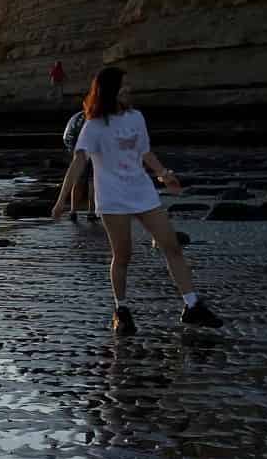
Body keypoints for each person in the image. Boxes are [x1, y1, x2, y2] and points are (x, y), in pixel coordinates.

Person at [51, 65, 222, 331]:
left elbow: (145, 153)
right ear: (111, 91)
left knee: (171, 245)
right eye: (124, 87)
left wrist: (164, 174)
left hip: (142, 191)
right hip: (112, 198)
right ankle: (121, 309)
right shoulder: (94, 126)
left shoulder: (136, 117)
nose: (130, 91)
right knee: (123, 255)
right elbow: (78, 162)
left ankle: (192, 305)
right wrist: (62, 200)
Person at [60, 106, 91, 222]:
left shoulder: (79, 116)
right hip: (76, 141)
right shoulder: (95, 119)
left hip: (71, 140)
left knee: (80, 178)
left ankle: (73, 211)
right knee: (91, 179)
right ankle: (91, 211)